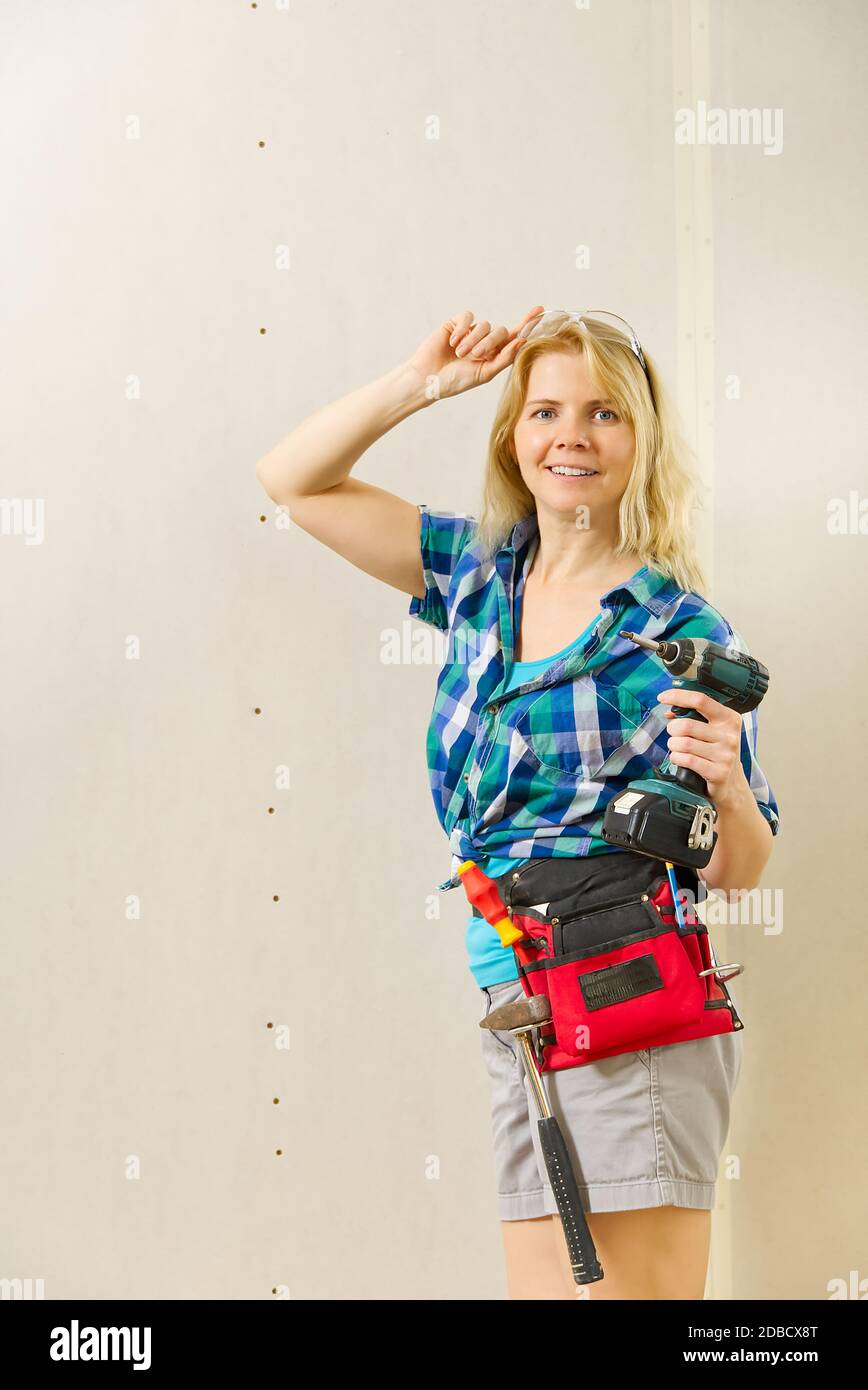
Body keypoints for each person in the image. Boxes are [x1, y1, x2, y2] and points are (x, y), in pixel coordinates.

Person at [255, 305, 780, 1300]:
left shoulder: (676, 629)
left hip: (630, 1006)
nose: (571, 435)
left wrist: (720, 783)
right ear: (512, 436)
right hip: (521, 1003)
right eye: (544, 411)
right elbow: (292, 479)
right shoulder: (476, 573)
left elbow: (743, 864)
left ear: (642, 439)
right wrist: (417, 385)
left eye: (603, 413)